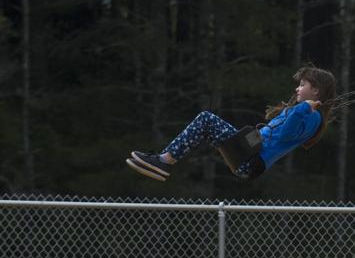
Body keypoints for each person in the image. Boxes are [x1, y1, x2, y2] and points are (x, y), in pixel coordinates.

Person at [125, 66, 337, 181]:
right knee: (205, 123)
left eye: (302, 85)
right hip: (249, 153)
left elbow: (285, 136)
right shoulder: (300, 112)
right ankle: (163, 160)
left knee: (206, 119)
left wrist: (301, 109)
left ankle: (164, 161)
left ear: (316, 90)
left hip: (252, 160)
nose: (297, 89)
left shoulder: (312, 117)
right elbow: (278, 131)